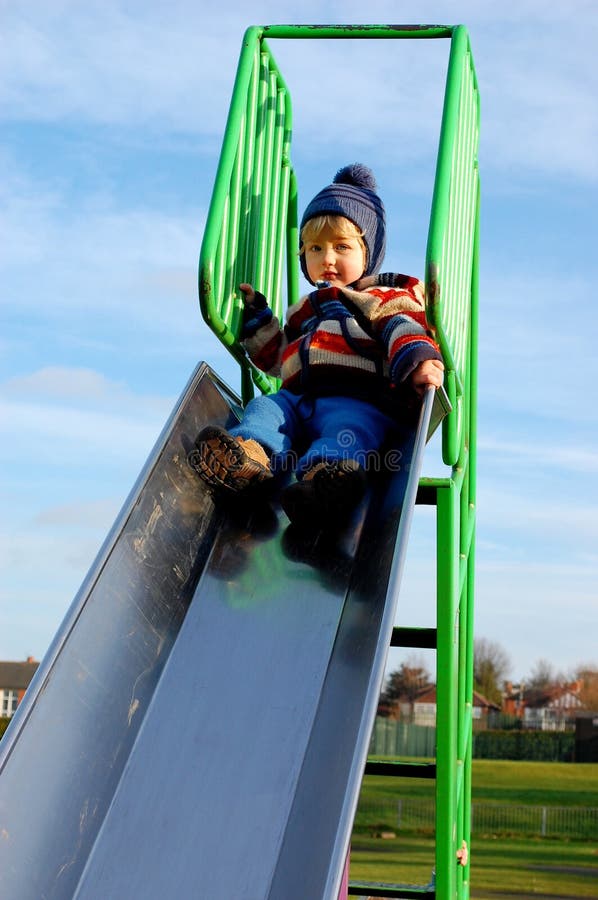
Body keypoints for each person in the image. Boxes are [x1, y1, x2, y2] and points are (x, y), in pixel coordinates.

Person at [189, 164, 444, 527]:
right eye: (314, 248)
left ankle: (328, 484)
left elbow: (401, 325)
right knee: (264, 407)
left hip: (356, 398)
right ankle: (249, 459)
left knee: (351, 431)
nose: (327, 258)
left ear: (368, 253)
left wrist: (418, 360)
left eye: (342, 247)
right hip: (297, 399)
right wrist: (259, 319)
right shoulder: (305, 311)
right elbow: (278, 360)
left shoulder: (379, 295)